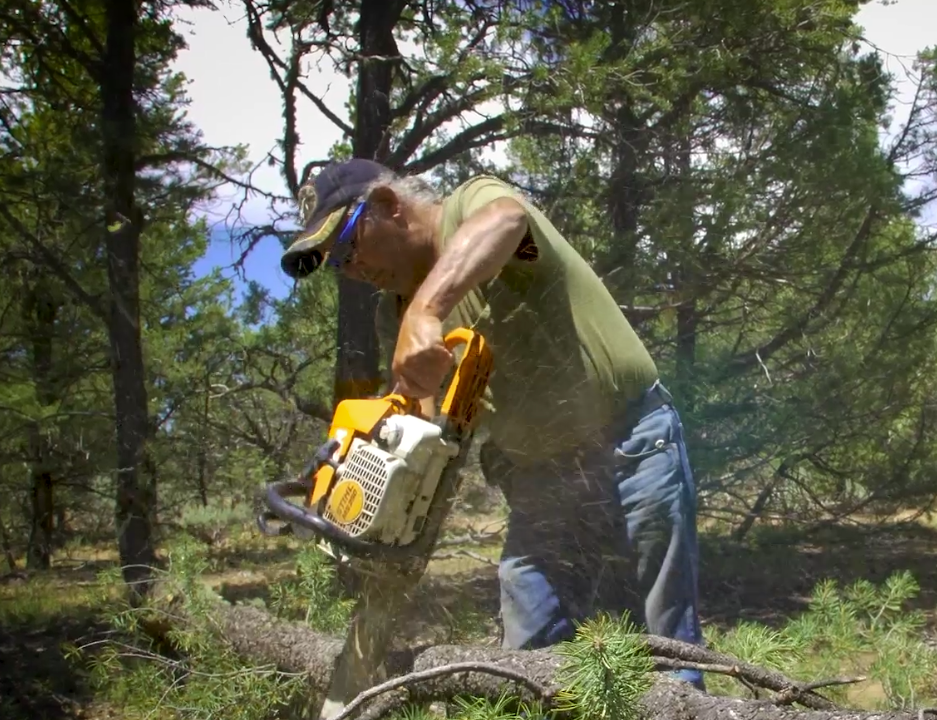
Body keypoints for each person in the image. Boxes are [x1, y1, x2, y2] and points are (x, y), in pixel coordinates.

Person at [281, 158, 707, 688]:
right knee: (524, 660)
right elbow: (420, 431)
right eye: (335, 262)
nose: (349, 267)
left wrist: (427, 311)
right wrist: (359, 473)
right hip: (538, 486)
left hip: (630, 450)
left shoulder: (470, 209)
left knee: (664, 651)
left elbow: (507, 220)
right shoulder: (395, 313)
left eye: (347, 244)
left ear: (389, 206)